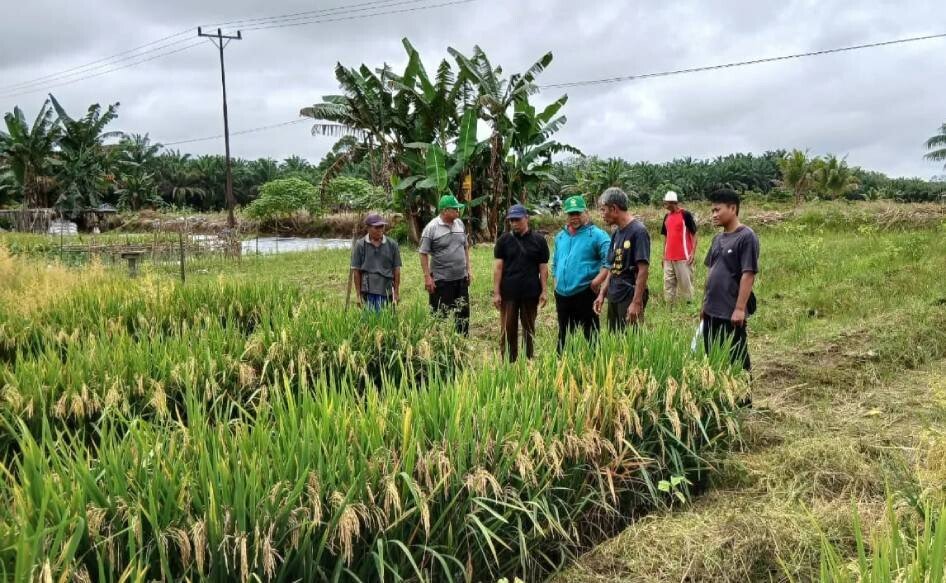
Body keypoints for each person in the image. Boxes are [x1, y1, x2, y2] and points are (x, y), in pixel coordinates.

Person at [701, 188, 760, 375]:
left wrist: (740, 308)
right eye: (712, 211)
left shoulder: (746, 236)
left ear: (733, 208)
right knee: (713, 358)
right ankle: (720, 399)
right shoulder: (717, 239)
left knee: (737, 358)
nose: (713, 215)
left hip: (730, 311)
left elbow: (748, 274)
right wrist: (704, 304)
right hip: (712, 310)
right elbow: (711, 271)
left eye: (717, 210)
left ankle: (744, 401)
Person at [551, 195, 610, 351]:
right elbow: (555, 262)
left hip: (585, 292)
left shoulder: (598, 235)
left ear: (586, 212)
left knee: (591, 334)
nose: (574, 217)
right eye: (571, 214)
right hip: (562, 295)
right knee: (564, 334)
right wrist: (556, 282)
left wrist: (597, 281)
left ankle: (595, 365)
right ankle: (562, 366)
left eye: (578, 213)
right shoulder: (560, 236)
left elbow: (609, 261)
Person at [492, 204, 549, 361]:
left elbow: (543, 268)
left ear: (526, 218)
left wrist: (544, 291)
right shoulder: (503, 241)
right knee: (507, 328)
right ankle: (509, 361)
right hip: (508, 293)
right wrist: (496, 293)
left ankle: (528, 359)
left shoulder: (539, 241)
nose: (514, 223)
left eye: (517, 219)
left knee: (529, 328)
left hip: (531, 292)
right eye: (511, 220)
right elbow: (498, 268)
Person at [594, 188, 651, 331]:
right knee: (616, 341)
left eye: (603, 210)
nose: (602, 215)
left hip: (629, 294)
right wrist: (602, 294)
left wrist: (636, 302)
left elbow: (643, 270)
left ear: (614, 208)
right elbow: (613, 267)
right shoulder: (616, 233)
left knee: (630, 342)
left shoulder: (639, 232)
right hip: (614, 294)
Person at [420, 194, 473, 335]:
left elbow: (465, 247)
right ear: (444, 211)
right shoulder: (431, 228)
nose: (458, 211)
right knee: (439, 314)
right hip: (441, 280)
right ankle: (438, 341)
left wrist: (468, 269)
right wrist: (427, 277)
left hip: (460, 278)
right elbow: (423, 253)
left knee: (463, 313)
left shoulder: (460, 224)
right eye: (455, 209)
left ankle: (462, 341)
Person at [350, 213, 401, 311]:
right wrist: (358, 294)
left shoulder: (392, 245)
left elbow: (396, 270)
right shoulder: (360, 245)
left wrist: (396, 293)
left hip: (385, 287)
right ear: (368, 228)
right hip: (368, 288)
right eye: (376, 227)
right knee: (369, 319)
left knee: (385, 318)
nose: (380, 230)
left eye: (382, 226)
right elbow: (356, 272)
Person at [660, 190, 698, 304]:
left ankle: (689, 307)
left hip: (683, 257)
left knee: (685, 285)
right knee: (668, 284)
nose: (665, 205)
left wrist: (692, 253)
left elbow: (694, 234)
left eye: (666, 203)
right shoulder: (666, 217)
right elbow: (666, 237)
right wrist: (663, 255)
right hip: (669, 258)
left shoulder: (685, 215)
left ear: (673, 202)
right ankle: (669, 307)